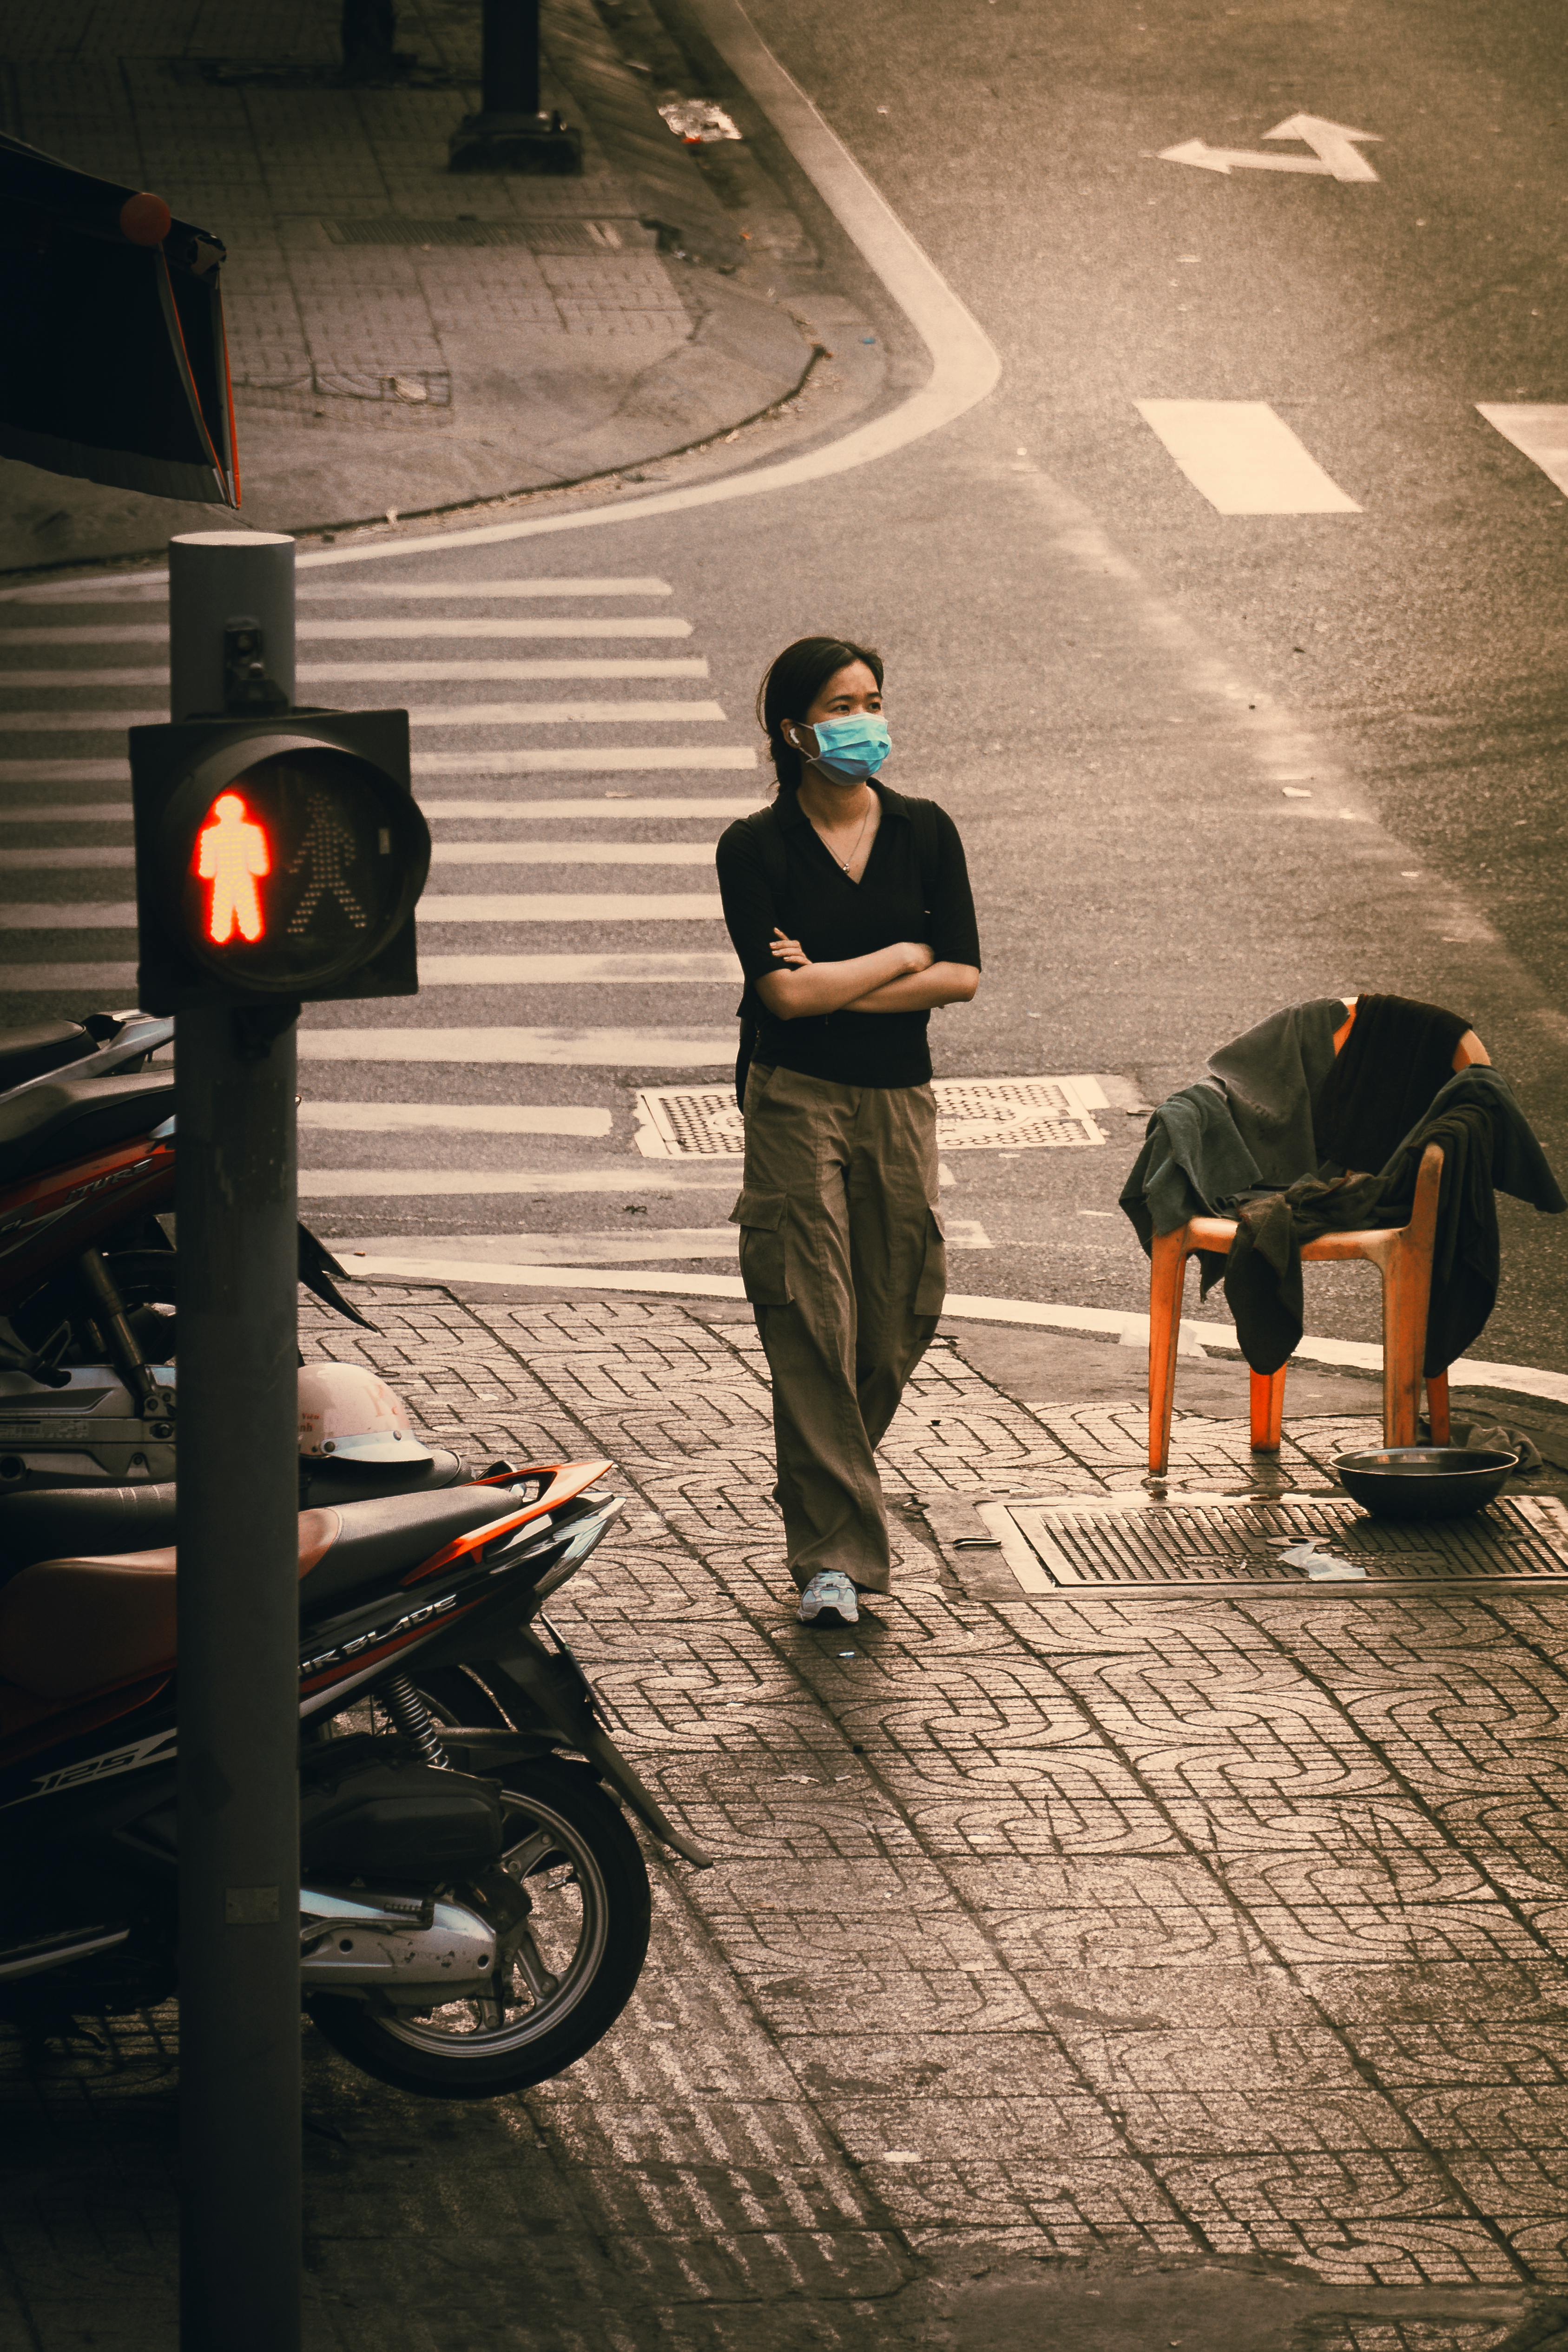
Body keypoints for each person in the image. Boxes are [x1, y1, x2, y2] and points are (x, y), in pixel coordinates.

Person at [716, 636, 982, 1629]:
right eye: (840, 704)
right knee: (808, 1314)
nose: (863, 719)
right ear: (793, 728)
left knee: (901, 1306)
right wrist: (899, 952)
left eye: (871, 699)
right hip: (792, 1096)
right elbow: (783, 996)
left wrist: (847, 971)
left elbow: (960, 972)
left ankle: (818, 1483)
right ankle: (835, 1557)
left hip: (897, 1096)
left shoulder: (924, 831)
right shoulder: (755, 847)